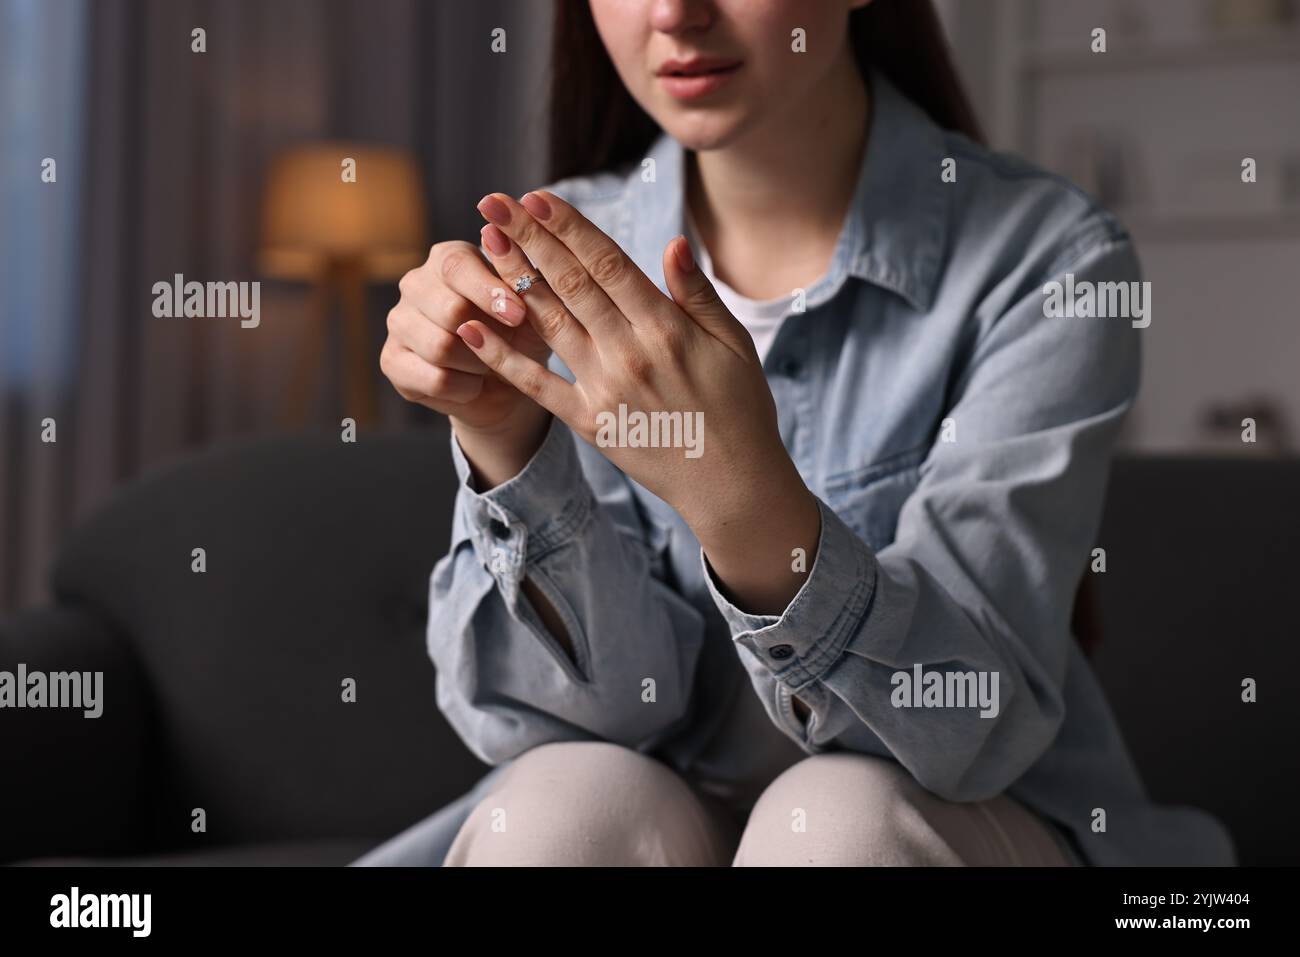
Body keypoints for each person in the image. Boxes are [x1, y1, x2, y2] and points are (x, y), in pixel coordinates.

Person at [363, 0, 1233, 866]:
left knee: (841, 818)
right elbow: (563, 724)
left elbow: (962, 726)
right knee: (568, 804)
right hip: (658, 820)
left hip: (957, 822)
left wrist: (737, 493)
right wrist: (505, 438)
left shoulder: (1050, 260)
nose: (675, 13)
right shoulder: (555, 255)